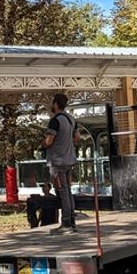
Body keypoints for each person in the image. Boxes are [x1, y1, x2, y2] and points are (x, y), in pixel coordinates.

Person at [42, 92, 81, 233]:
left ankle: (66, 224)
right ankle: (72, 221)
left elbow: (49, 141)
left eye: (53, 103)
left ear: (56, 104)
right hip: (70, 159)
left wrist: (43, 143)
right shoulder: (71, 119)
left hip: (57, 161)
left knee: (62, 191)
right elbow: (77, 137)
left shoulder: (55, 120)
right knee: (68, 191)